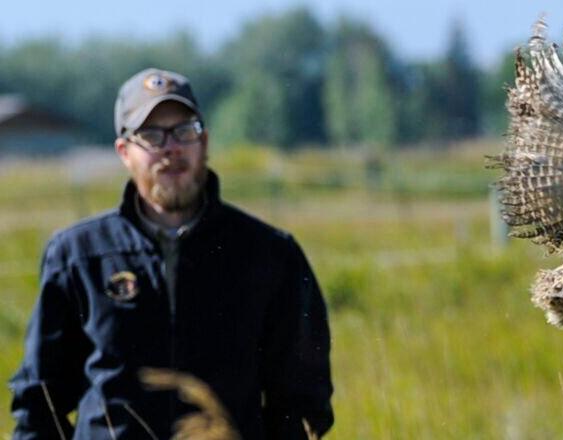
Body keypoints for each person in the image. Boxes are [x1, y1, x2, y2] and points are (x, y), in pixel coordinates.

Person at [9, 68, 334, 439]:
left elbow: (303, 402)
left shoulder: (270, 255)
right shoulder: (78, 256)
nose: (171, 148)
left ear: (205, 142)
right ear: (124, 152)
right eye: (150, 135)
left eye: (184, 131)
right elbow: (39, 402)